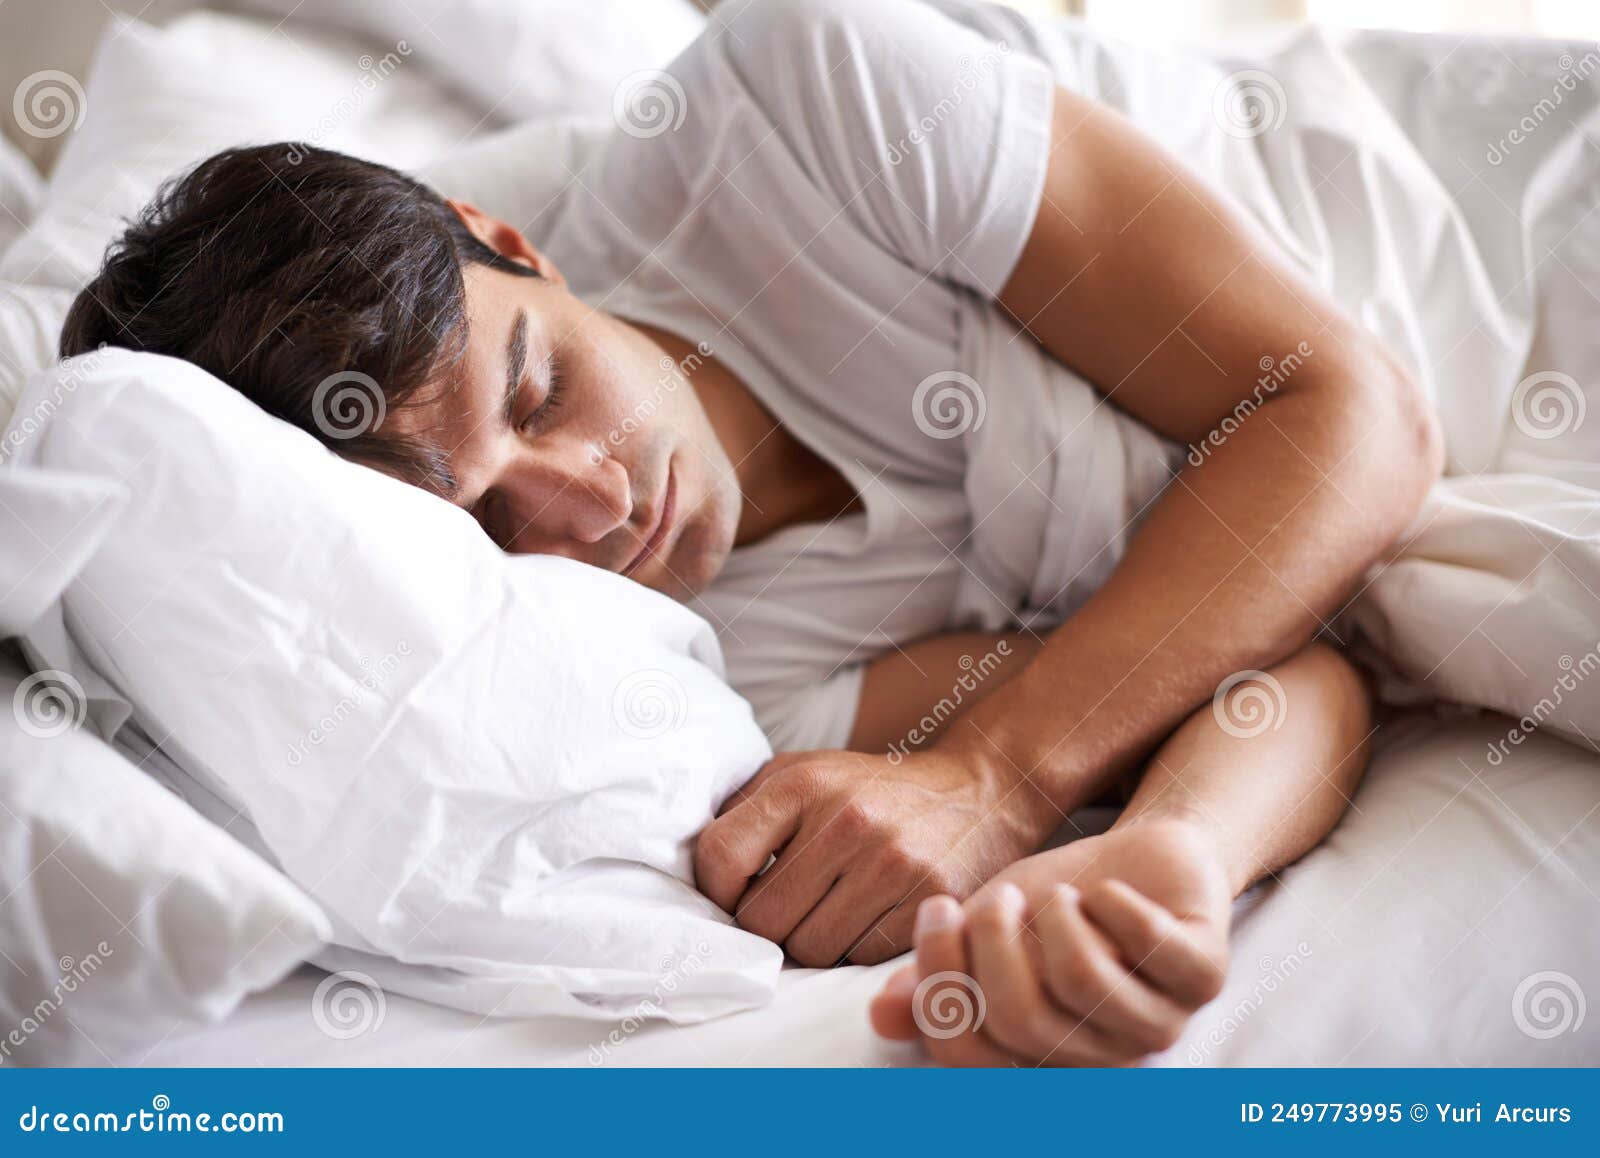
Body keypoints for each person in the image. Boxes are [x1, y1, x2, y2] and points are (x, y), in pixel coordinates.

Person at [58, 0, 1439, 1064]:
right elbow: (1283, 662)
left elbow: (1346, 410)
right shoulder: (672, 695)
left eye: (539, 392)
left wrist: (998, 778)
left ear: (510, 242)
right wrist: (1175, 857)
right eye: (486, 526)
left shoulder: (793, 101)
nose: (595, 506)